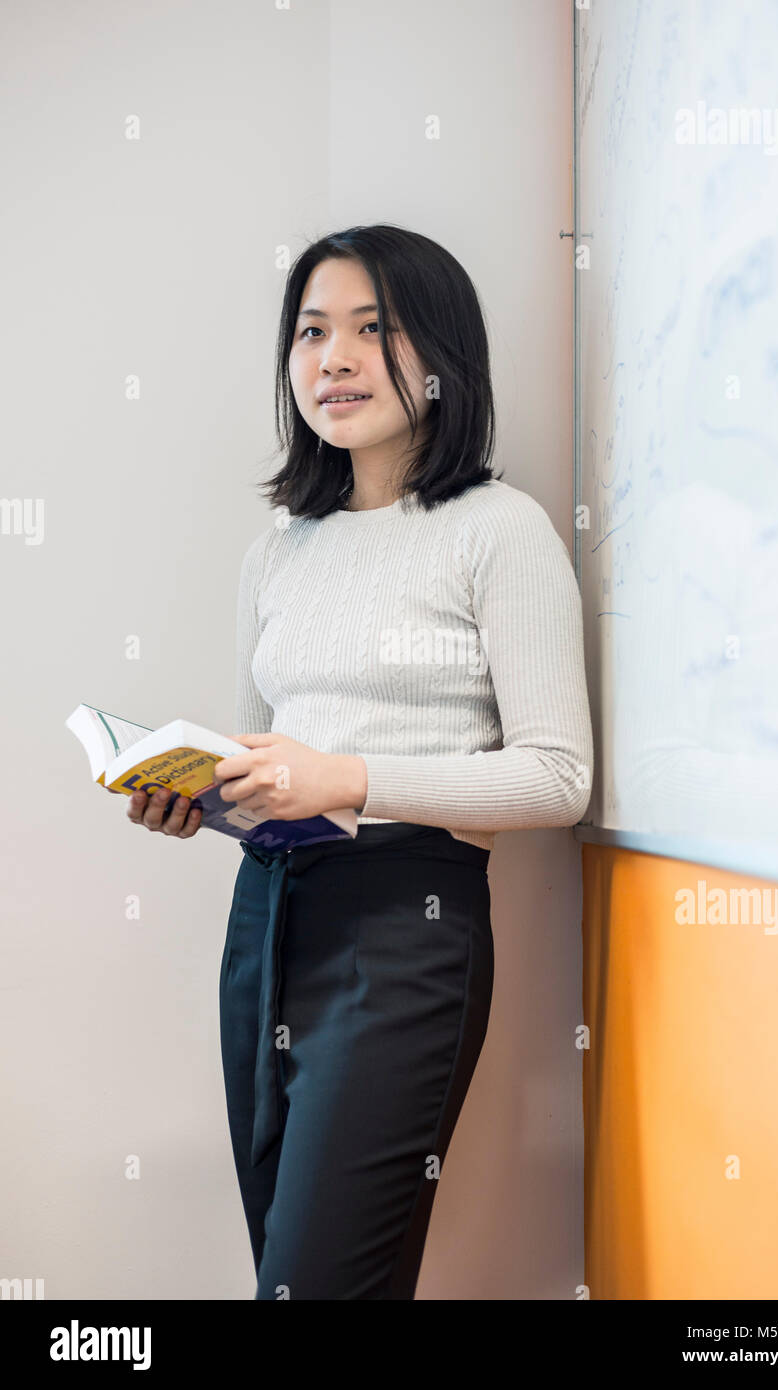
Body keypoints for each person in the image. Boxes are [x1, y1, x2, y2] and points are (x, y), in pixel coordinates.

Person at [125, 223, 593, 1299]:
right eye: (310, 332)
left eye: (370, 329)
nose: (331, 359)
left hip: (405, 923)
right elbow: (264, 758)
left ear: (438, 353)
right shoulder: (280, 548)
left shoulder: (499, 530)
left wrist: (350, 777)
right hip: (268, 915)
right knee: (285, 1274)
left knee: (322, 1278)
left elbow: (560, 776)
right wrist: (199, 798)